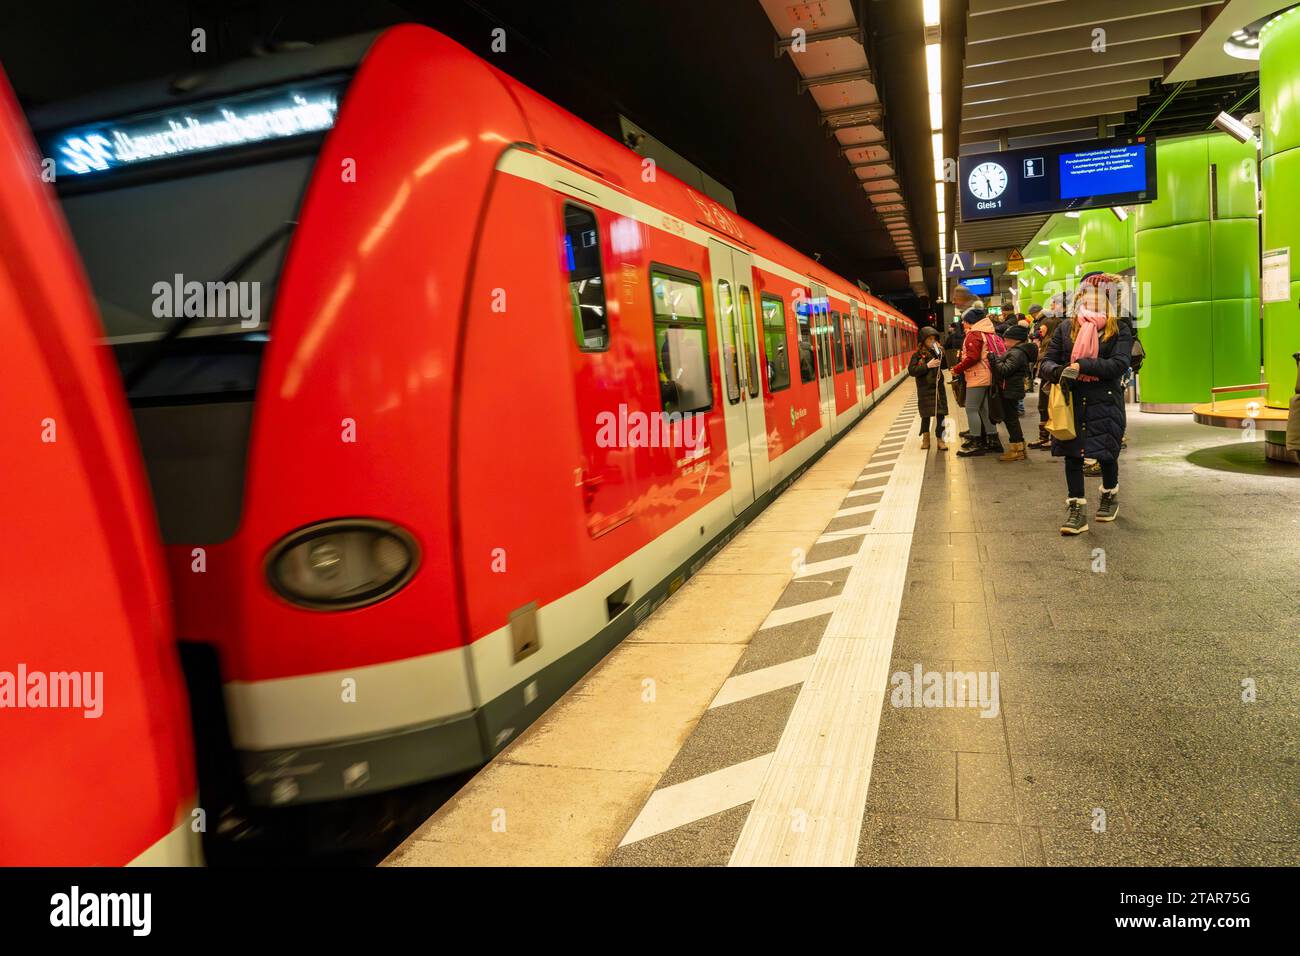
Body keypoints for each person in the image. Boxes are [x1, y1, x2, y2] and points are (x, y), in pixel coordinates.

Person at [1038, 272, 1133, 535]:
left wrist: (1083, 366)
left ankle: (1109, 494)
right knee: (1073, 454)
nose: (1090, 300)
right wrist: (1058, 372)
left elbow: (1120, 363)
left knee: (1107, 452)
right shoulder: (1067, 329)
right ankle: (1077, 507)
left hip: (1105, 399)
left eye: (1097, 296)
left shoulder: (1119, 328)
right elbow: (1045, 362)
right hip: (1072, 400)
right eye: (1085, 295)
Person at [950, 308, 1004, 457]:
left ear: (970, 321)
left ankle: (977, 442)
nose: (962, 322)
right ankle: (993, 441)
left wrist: (957, 369)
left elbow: (972, 357)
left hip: (977, 375)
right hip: (987, 374)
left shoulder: (974, 334)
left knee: (971, 408)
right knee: (983, 408)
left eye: (964, 320)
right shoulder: (988, 332)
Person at [991, 323, 1037, 461]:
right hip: (1012, 389)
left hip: (1010, 390)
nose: (1004, 342)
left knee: (1011, 420)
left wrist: (994, 359)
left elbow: (1004, 370)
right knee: (1012, 419)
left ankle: (1017, 451)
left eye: (1006, 339)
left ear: (1016, 340)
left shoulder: (1017, 353)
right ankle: (1019, 448)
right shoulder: (1019, 351)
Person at [1028, 294, 1066, 449]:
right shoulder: (1052, 324)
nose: (1051, 307)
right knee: (1043, 405)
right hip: (1048, 370)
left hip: (1058, 372)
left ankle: (1056, 437)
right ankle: (1044, 436)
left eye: (1054, 304)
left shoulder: (1063, 324)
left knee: (1055, 404)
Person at [908, 326, 949, 450]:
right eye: (930, 339)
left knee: (940, 414)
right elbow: (912, 371)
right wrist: (927, 365)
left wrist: (942, 352)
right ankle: (925, 439)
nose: (932, 341)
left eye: (934, 339)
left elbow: (944, 366)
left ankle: (940, 439)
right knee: (925, 415)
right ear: (923, 340)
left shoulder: (937, 352)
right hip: (924, 389)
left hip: (938, 388)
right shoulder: (917, 355)